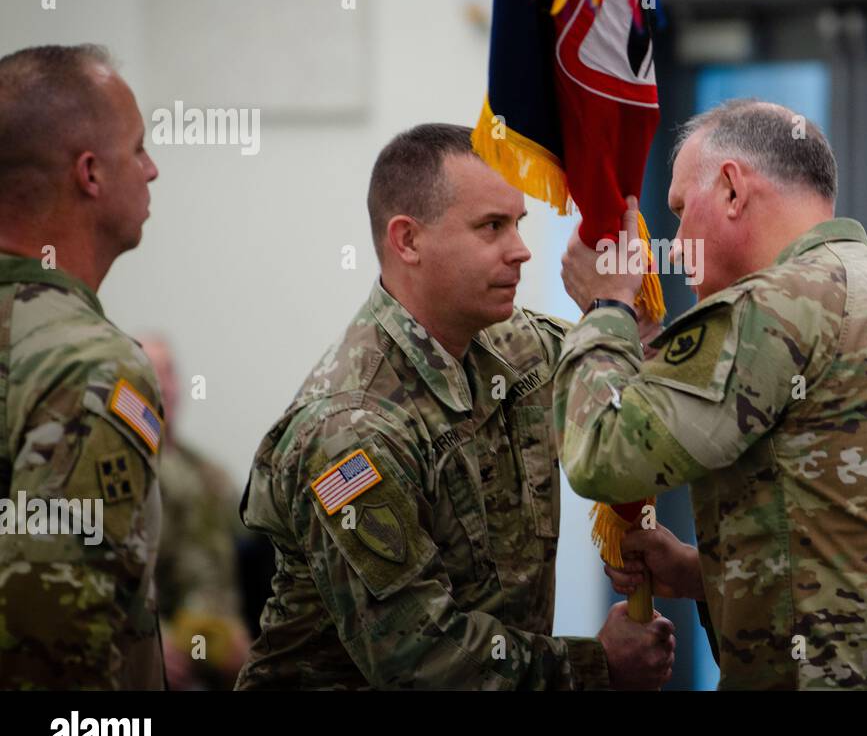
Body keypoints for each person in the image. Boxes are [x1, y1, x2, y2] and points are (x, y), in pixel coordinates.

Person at [236, 123, 674, 690]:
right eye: (491, 227)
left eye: (517, 223)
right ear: (407, 240)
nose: (520, 250)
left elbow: (638, 390)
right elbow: (420, 659)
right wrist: (596, 666)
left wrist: (618, 305)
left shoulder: (515, 346)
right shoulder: (352, 426)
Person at [554, 99, 867, 689]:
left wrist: (605, 309)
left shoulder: (771, 307)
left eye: (683, 209)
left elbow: (604, 455)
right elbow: (845, 530)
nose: (677, 239)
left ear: (734, 190)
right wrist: (697, 573)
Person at [0, 43, 164, 689]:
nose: (152, 169)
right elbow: (51, 646)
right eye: (139, 148)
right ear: (90, 174)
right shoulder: (90, 364)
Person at [140, 334, 251, 690]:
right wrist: (153, 641)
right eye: (152, 375)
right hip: (159, 661)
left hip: (226, 655)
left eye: (170, 374)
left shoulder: (211, 476)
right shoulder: (125, 474)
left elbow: (257, 553)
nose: (164, 387)